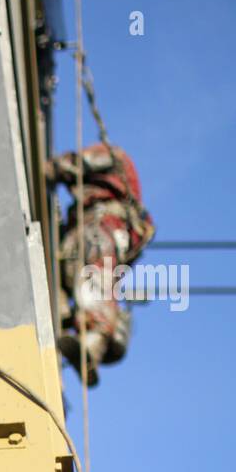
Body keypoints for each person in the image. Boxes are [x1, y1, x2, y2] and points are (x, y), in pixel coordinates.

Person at [46, 143, 155, 386]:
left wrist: (52, 168)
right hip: (82, 231)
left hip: (100, 226)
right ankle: (69, 321)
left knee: (95, 275)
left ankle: (94, 338)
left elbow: (80, 162)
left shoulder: (115, 156)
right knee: (68, 277)